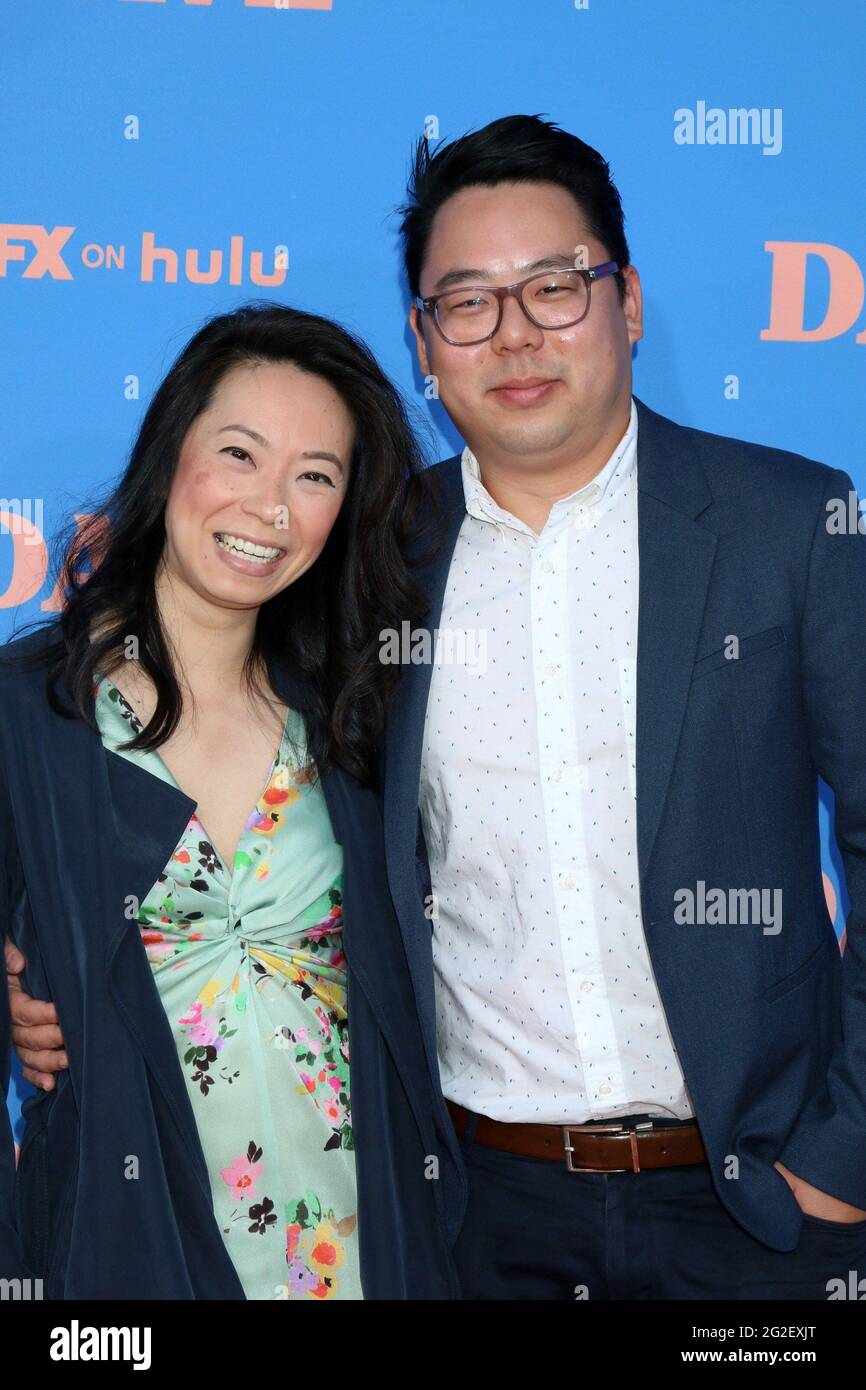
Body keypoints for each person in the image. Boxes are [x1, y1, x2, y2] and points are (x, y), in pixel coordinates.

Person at [12, 114, 866, 1301]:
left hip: (756, 1209)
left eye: (555, 286)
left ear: (625, 302)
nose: (512, 333)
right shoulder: (368, 561)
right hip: (469, 1211)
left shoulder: (790, 525)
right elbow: (164, 730)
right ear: (423, 339)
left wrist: (840, 1159)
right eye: (466, 301)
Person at [0, 300, 460, 1300]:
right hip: (127, 1251)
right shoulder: (28, 717)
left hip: (362, 1245)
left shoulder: (356, 721)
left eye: (315, 476)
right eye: (240, 455)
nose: (270, 508)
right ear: (171, 455)